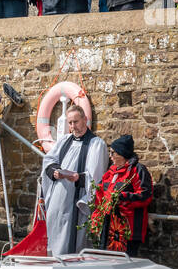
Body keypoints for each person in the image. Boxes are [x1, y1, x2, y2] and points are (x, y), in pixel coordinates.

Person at [39, 104, 109, 255]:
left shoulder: (96, 144)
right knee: (54, 238)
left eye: (75, 122)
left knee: (74, 241)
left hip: (77, 203)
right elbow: (49, 160)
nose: (72, 126)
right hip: (58, 201)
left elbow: (96, 177)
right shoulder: (64, 140)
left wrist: (78, 178)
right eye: (70, 123)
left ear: (85, 120)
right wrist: (55, 171)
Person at [88, 135, 152, 255]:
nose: (110, 156)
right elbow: (100, 195)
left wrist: (123, 197)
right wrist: (97, 216)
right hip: (108, 228)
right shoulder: (110, 172)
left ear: (122, 154)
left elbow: (145, 195)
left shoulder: (137, 170)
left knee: (124, 264)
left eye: (113, 153)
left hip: (127, 228)